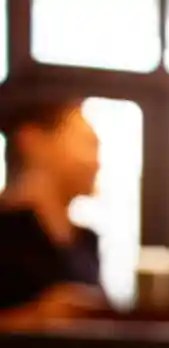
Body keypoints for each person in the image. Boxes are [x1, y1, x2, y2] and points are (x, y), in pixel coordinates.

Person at [0, 96, 104, 324]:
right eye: (88, 144)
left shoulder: (86, 240)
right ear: (32, 141)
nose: (96, 162)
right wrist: (36, 317)